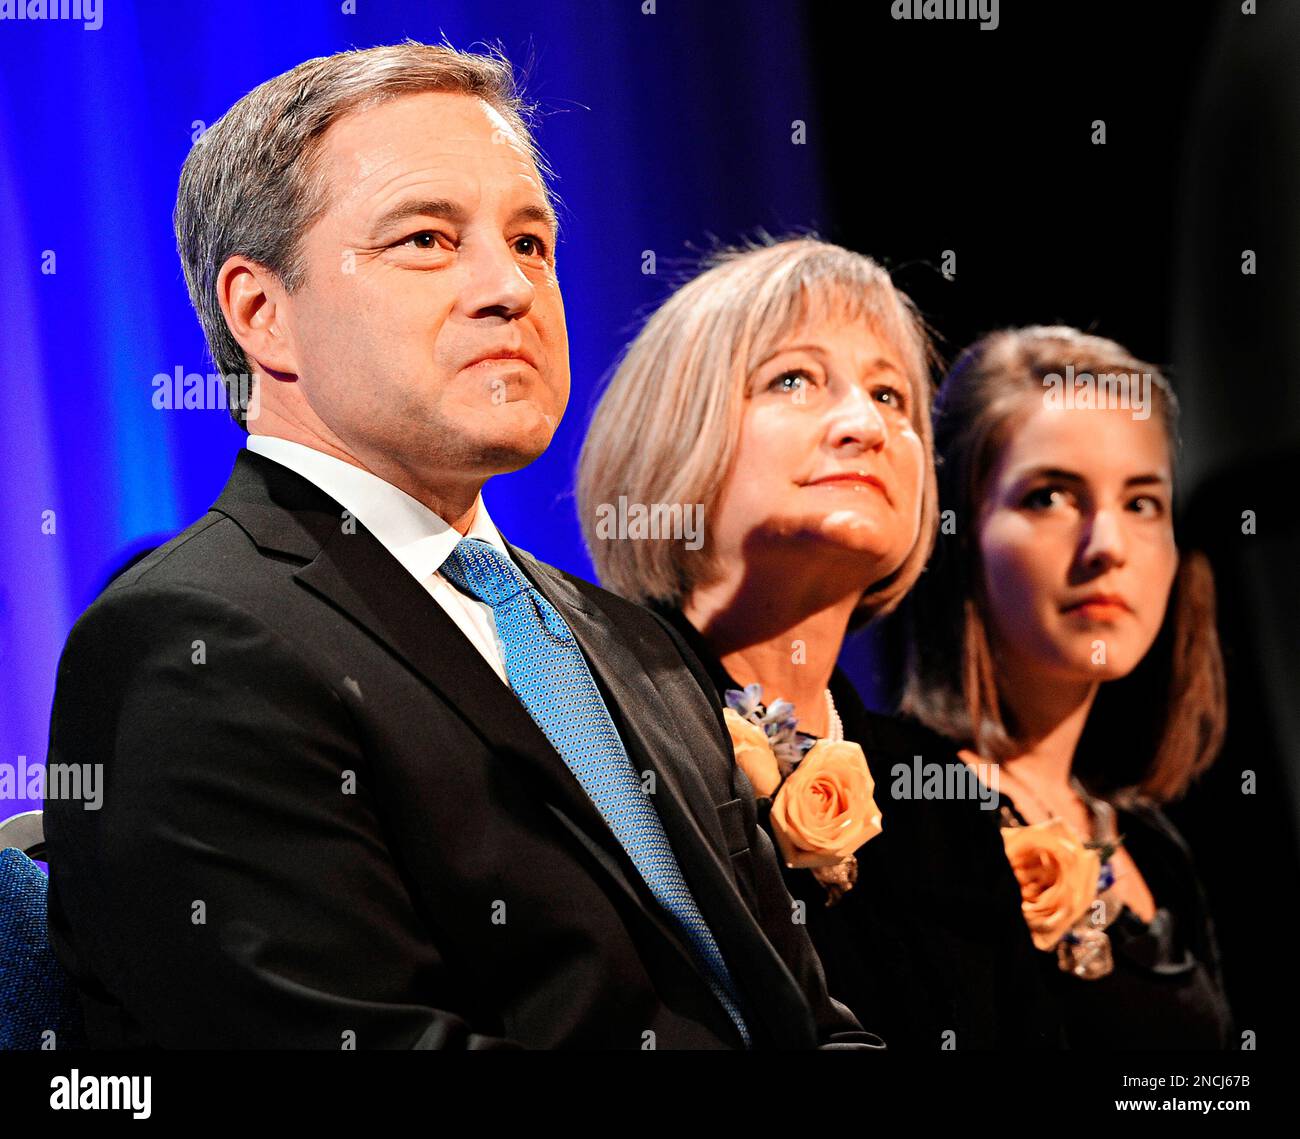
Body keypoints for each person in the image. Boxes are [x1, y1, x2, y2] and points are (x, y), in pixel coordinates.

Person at [42, 43, 877, 1051]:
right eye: (429, 239)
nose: (509, 288)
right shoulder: (192, 643)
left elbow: (809, 1019)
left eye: (530, 242)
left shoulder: (626, 640)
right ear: (262, 314)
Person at [577, 238, 1061, 1049]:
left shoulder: (948, 797)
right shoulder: (585, 725)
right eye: (794, 379)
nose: (865, 424)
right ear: (672, 429)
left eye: (891, 394)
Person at [902, 326, 1233, 1048]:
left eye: (1143, 502)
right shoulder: (909, 810)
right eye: (1051, 495)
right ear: (956, 528)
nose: (1108, 545)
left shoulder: (1154, 845)